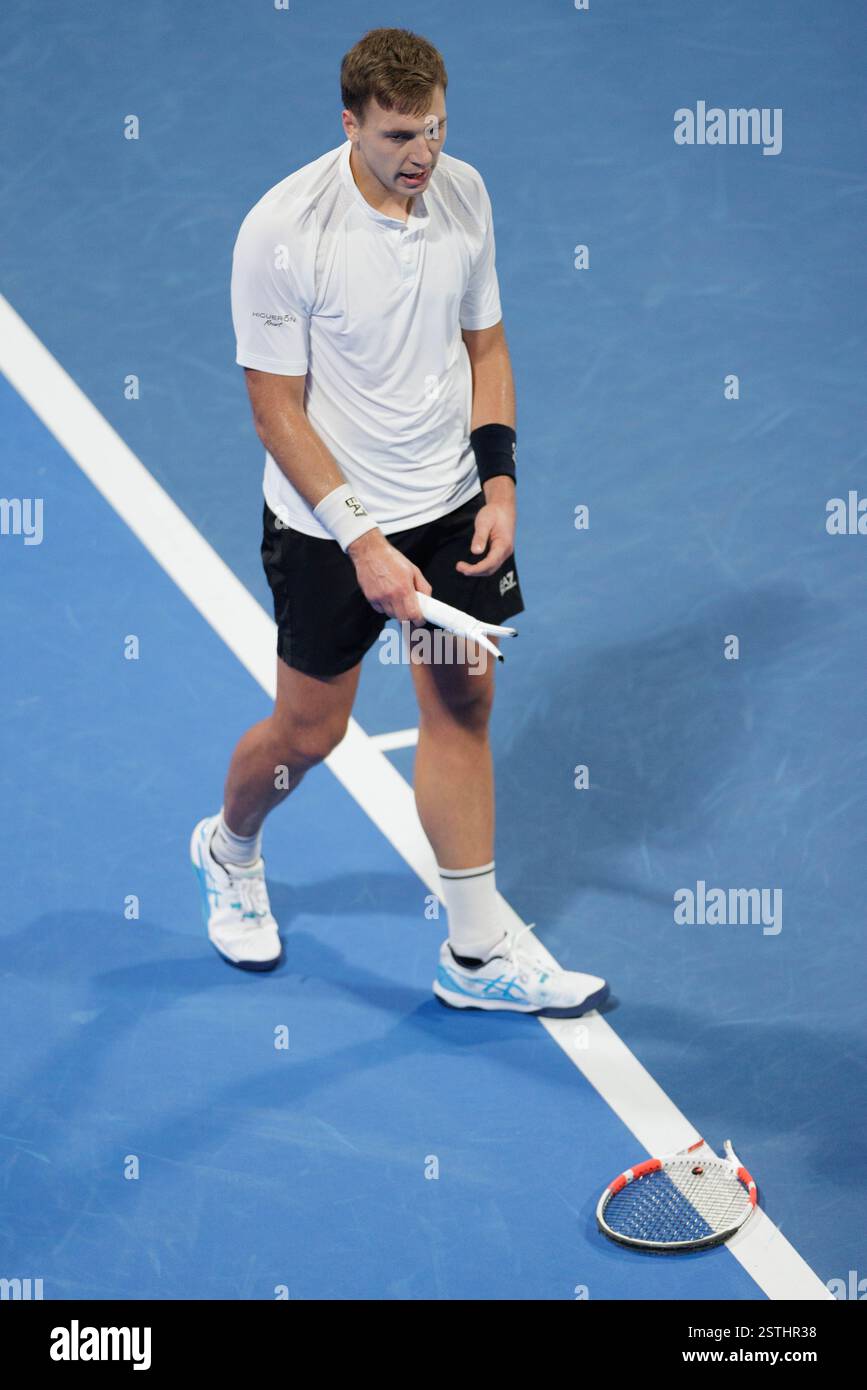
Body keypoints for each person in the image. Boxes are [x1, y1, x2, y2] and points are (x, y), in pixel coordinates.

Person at [191, 27, 608, 1018]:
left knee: (462, 706)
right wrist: (364, 540)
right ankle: (230, 847)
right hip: (329, 526)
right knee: (310, 731)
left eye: (436, 129)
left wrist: (499, 484)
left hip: (450, 505)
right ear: (350, 123)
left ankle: (475, 956)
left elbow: (486, 345)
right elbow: (275, 411)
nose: (423, 155)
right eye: (399, 136)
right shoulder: (283, 230)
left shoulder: (464, 194)